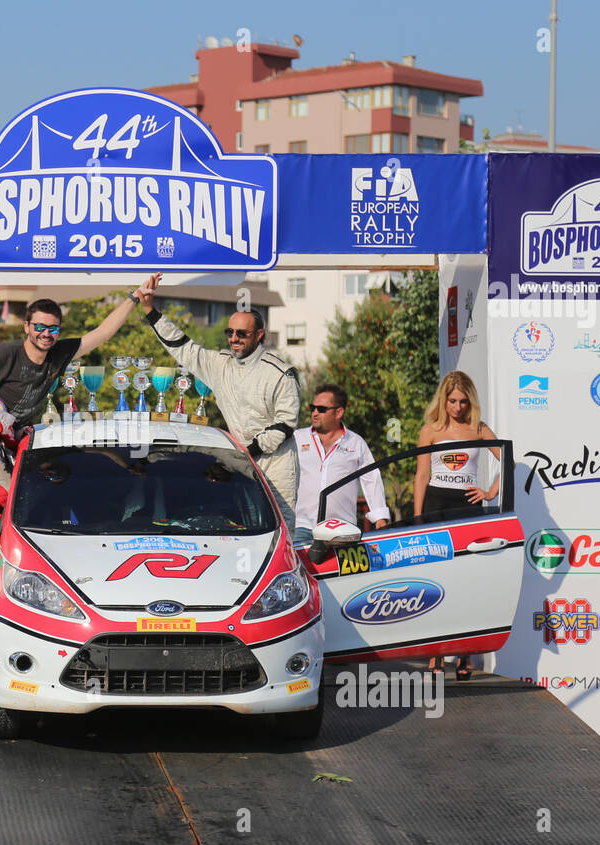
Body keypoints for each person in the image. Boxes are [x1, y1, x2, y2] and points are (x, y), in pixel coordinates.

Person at [0, 274, 160, 536]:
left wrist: (134, 297)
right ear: (26, 327)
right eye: (40, 327)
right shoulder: (6, 353)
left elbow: (103, 332)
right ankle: (0, 549)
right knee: (9, 496)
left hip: (12, 442)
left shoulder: (59, 355)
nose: (46, 333)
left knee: (21, 498)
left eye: (53, 328)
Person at [138, 288, 301, 530]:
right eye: (230, 332)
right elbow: (182, 346)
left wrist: (243, 455)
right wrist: (151, 311)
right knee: (247, 528)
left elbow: (285, 425)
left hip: (275, 463)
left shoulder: (281, 373)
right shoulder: (219, 364)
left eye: (241, 333)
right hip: (238, 459)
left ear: (259, 335)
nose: (234, 338)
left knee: (281, 530)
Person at [413, 369, 501, 681]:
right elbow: (422, 475)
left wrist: (490, 491)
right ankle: (436, 656)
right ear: (444, 399)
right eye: (452, 401)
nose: (458, 407)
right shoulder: (431, 431)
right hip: (437, 506)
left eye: (463, 401)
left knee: (467, 583)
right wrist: (418, 518)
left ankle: (464, 656)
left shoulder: (478, 428)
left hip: (468, 507)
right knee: (436, 582)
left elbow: (509, 458)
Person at [292, 384, 390, 544]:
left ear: (339, 412)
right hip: (302, 527)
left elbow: (371, 479)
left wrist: (380, 518)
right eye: (313, 408)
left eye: (322, 409)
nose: (315, 413)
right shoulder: (297, 438)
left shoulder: (356, 443)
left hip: (342, 530)